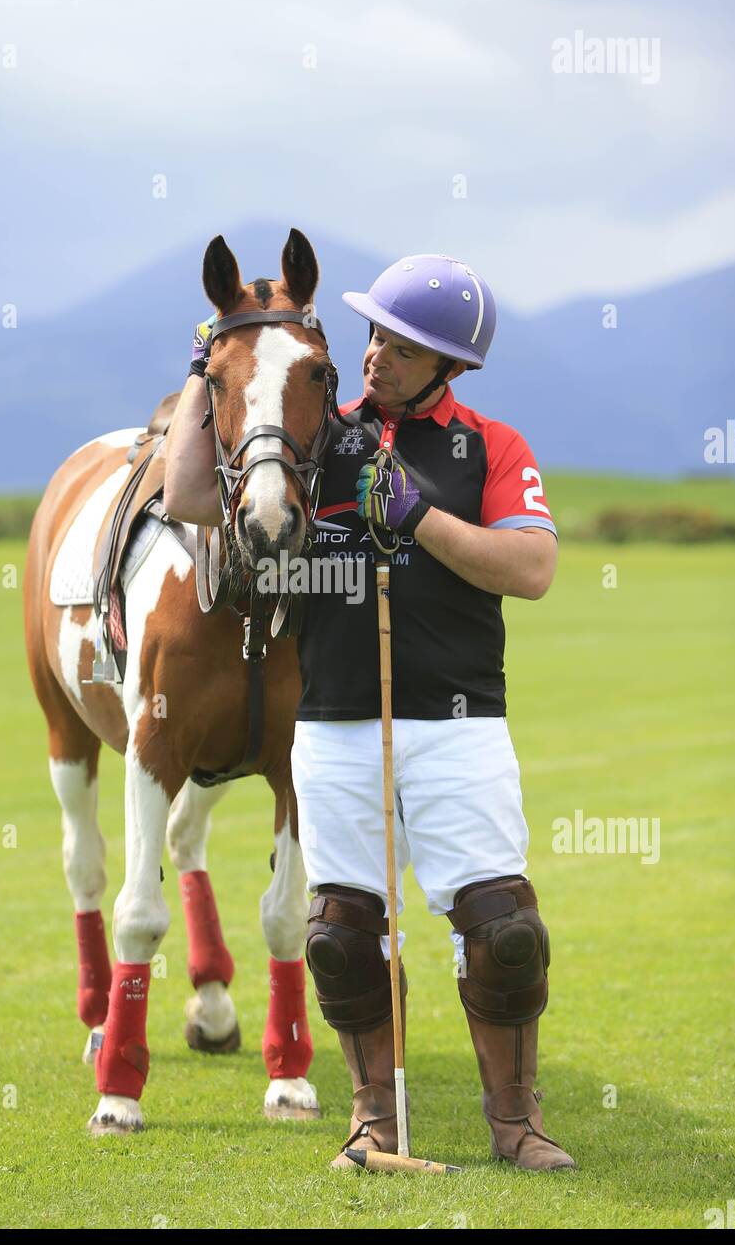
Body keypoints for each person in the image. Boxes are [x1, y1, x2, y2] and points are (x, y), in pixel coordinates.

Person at [162, 253, 575, 1171]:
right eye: (378, 332)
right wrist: (203, 376)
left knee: (504, 931)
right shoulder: (321, 435)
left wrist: (419, 515)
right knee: (343, 934)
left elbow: (533, 569)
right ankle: (374, 1124)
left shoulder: (493, 448)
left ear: (449, 367)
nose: (379, 353)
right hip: (337, 721)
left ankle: (516, 1124)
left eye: (406, 344)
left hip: (460, 723)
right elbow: (191, 496)